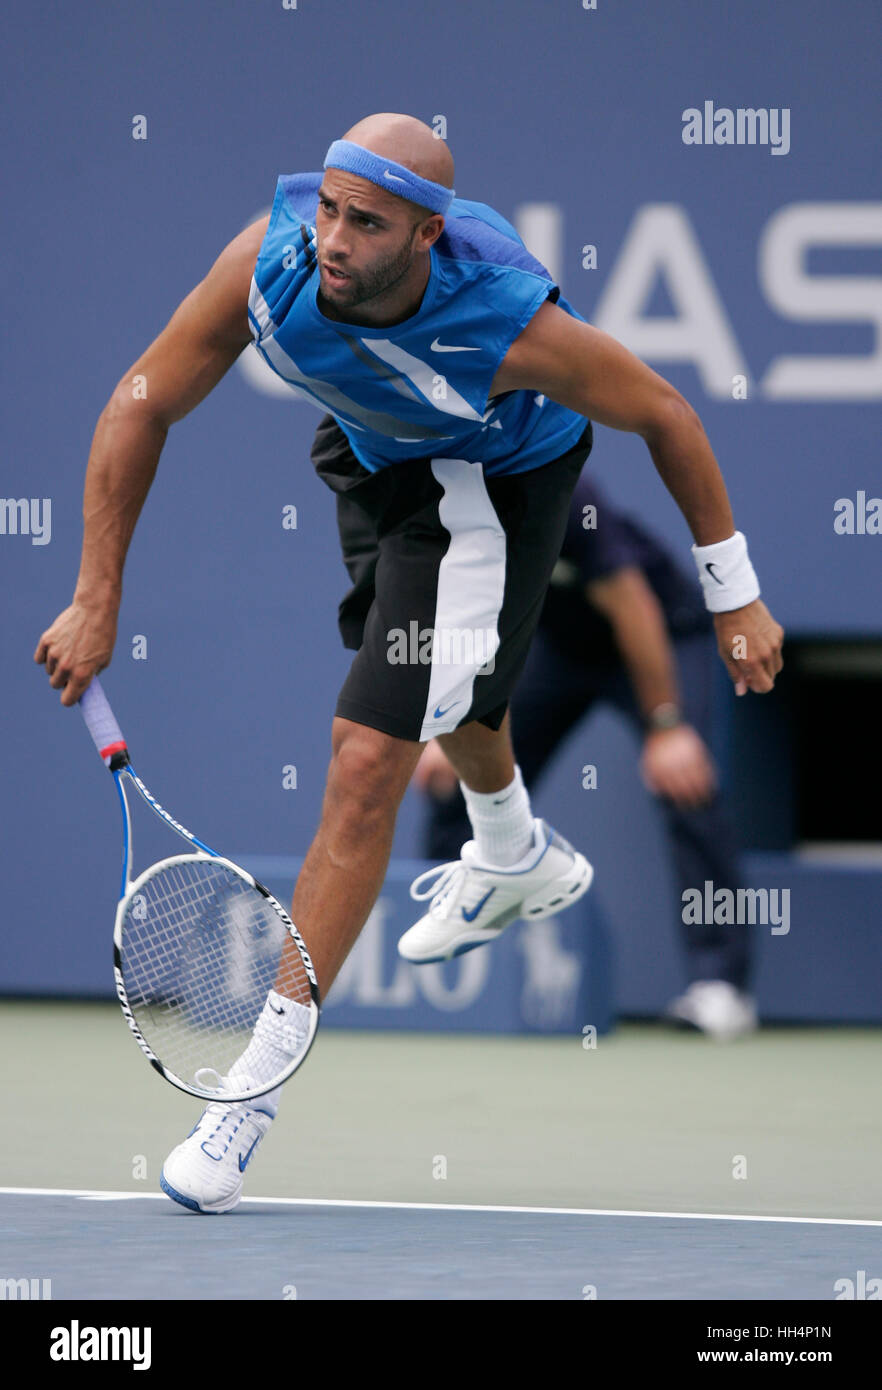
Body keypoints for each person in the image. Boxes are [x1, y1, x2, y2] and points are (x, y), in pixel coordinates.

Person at [34, 112, 784, 1214]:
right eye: (329, 209)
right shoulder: (271, 261)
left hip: (490, 482)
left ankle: (246, 1097)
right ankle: (514, 848)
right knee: (452, 695)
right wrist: (98, 593)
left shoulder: (504, 321)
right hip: (372, 460)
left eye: (368, 222)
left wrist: (736, 593)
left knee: (365, 760)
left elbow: (666, 414)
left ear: (428, 236)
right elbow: (139, 404)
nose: (333, 239)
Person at [412, 473, 757, 1040]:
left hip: (659, 636)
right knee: (458, 775)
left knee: (685, 781)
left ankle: (724, 987)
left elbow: (632, 606)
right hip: (558, 648)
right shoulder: (450, 510)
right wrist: (450, 722)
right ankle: (450, 963)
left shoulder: (568, 496)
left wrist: (666, 727)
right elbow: (470, 622)